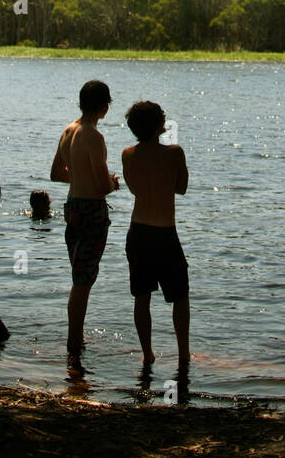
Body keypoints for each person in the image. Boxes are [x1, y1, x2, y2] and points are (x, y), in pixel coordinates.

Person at [50, 80, 119, 362]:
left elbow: (56, 173)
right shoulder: (94, 136)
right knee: (83, 281)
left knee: (79, 277)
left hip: (72, 208)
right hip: (91, 211)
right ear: (104, 108)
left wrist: (80, 178)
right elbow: (102, 187)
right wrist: (113, 183)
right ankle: (74, 344)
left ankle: (75, 340)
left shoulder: (68, 130)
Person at [121, 100, 190, 370]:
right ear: (158, 125)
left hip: (138, 231)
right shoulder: (175, 153)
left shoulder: (127, 154)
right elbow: (182, 188)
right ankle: (183, 355)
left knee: (142, 295)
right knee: (180, 296)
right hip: (165, 233)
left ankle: (147, 354)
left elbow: (135, 189)